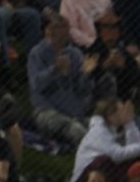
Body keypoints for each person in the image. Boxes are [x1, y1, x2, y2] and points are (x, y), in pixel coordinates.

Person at [27, 13, 93, 147]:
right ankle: (95, 157)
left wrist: (86, 74)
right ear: (47, 31)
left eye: (64, 28)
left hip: (75, 114)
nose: (61, 31)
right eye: (55, 27)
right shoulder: (37, 53)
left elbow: (83, 91)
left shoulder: (75, 54)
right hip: (47, 112)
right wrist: (55, 69)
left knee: (100, 125)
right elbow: (37, 85)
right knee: (75, 129)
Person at [70, 98, 140, 182]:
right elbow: (117, 155)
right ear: (112, 115)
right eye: (122, 110)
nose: (126, 113)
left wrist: (129, 123)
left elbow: (133, 149)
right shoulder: (98, 132)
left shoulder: (110, 131)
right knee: (106, 162)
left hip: (100, 176)